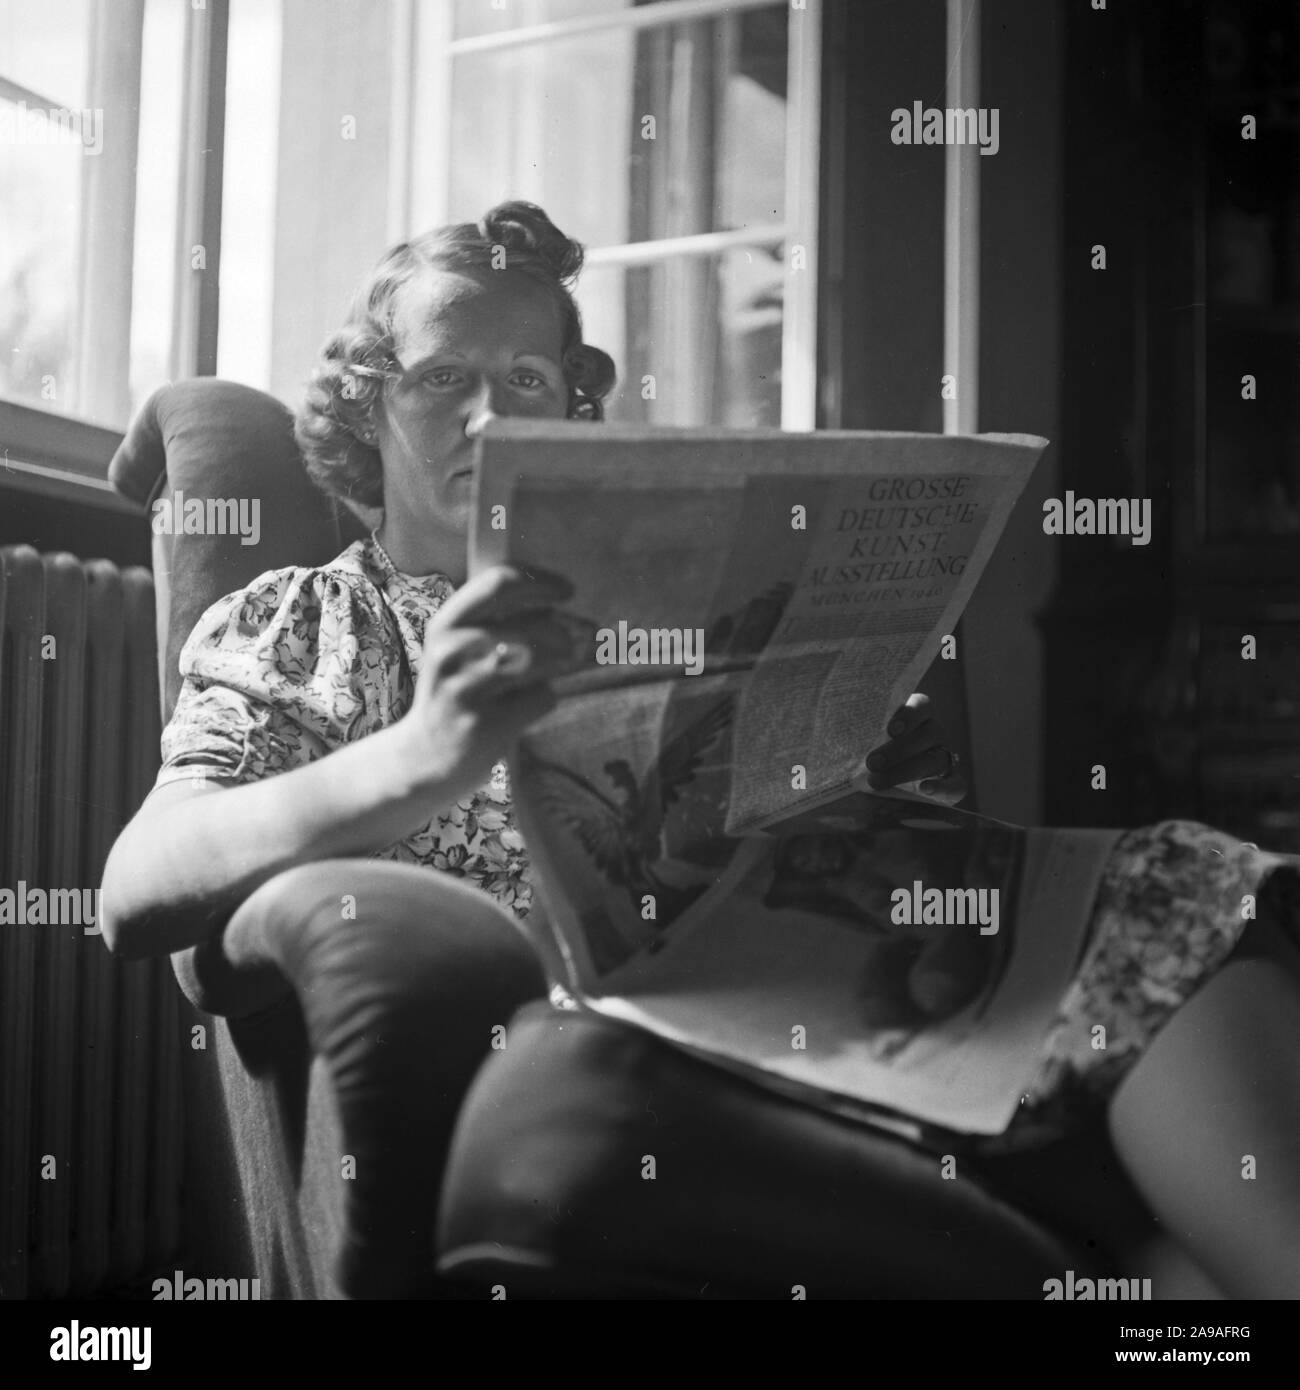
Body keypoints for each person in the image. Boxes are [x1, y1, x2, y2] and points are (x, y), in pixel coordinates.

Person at [101, 201, 1300, 1299]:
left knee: (1159, 875)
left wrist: (849, 750)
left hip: (811, 996)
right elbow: (136, 885)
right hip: (607, 1038)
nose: (490, 413)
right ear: (367, 412)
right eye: (441, 378)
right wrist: (421, 753)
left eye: (527, 375)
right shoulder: (313, 619)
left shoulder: (658, 603)